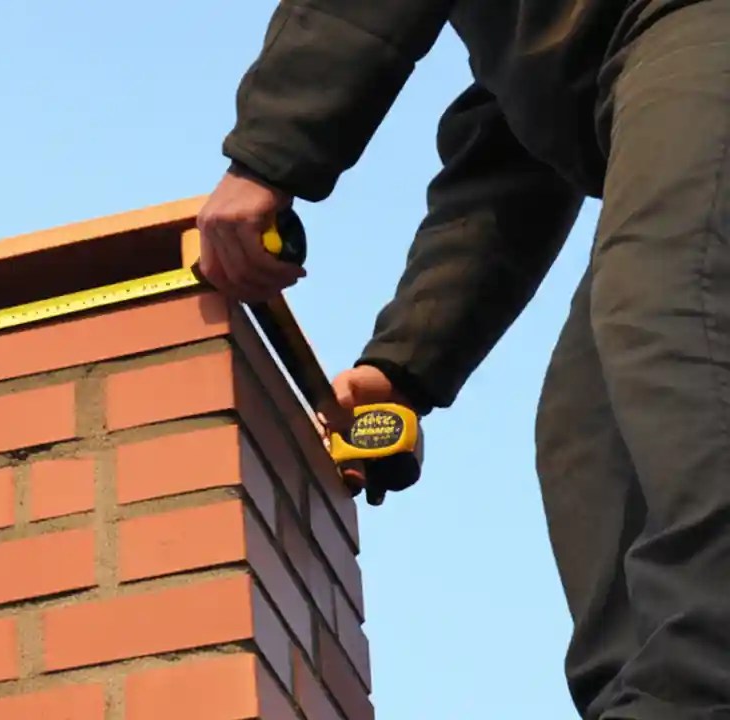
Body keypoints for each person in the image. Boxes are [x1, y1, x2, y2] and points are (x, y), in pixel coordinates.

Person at [195, 1, 730, 718]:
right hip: (637, 54)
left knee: (669, 307)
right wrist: (406, 361)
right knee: (588, 428)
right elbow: (515, 152)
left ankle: (701, 686)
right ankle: (646, 699)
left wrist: (264, 159)